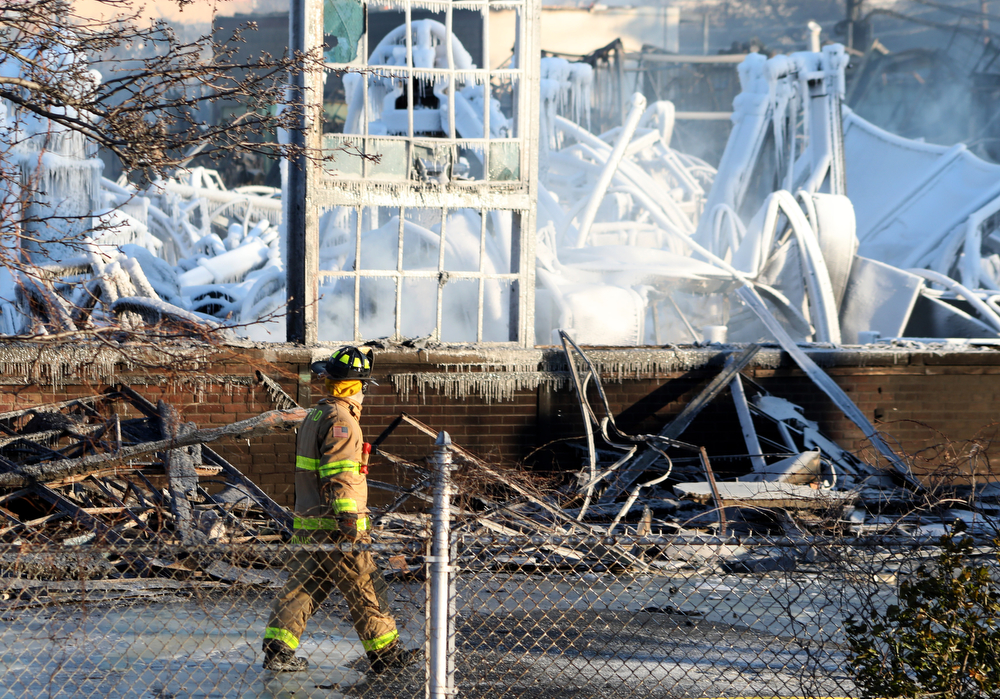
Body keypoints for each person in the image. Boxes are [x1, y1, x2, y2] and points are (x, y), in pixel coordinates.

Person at [262, 346, 421, 674]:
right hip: (337, 527)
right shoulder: (343, 420)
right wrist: (349, 519)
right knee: (367, 586)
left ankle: (278, 650)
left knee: (304, 587)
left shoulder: (315, 415)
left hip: (309, 523)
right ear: (359, 386)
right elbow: (340, 473)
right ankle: (386, 657)